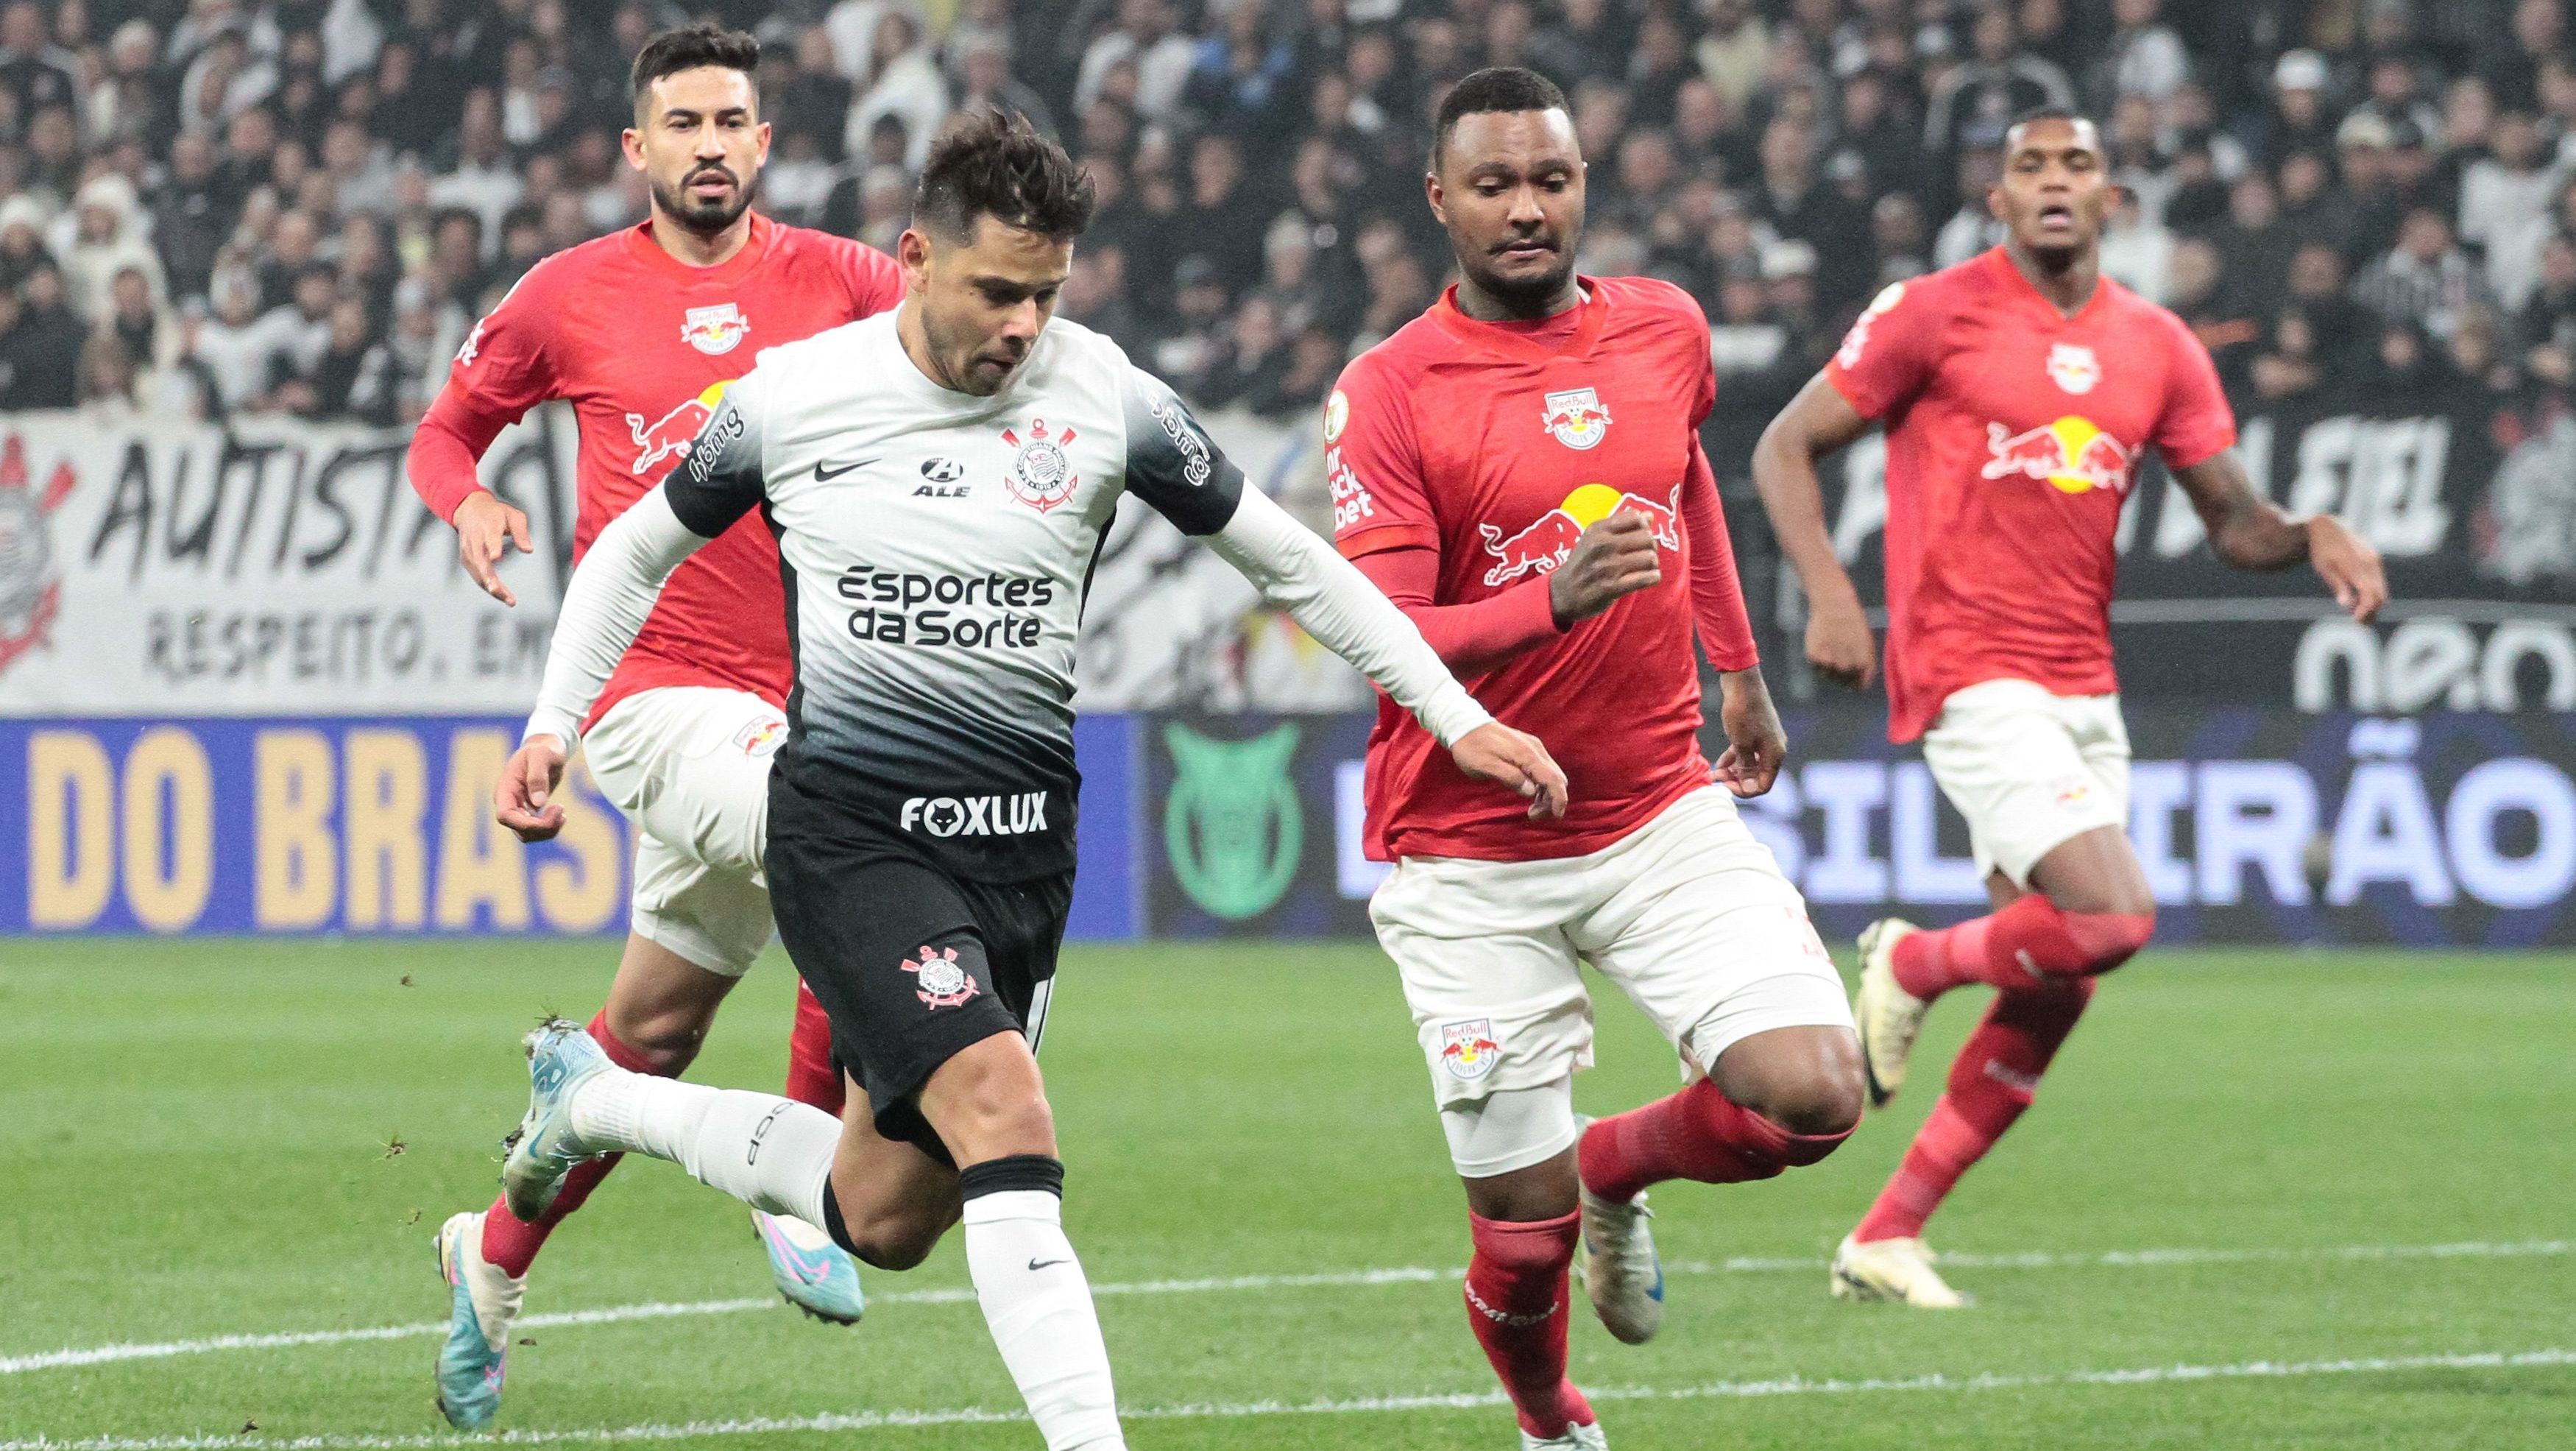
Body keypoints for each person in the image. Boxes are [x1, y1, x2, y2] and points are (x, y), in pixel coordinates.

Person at [487, 109, 1569, 1451]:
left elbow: (1290, 563)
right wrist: (553, 718)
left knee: (883, 1216)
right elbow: (630, 555)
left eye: (1047, 294)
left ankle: (590, 1101)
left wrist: (1450, 713)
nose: (1022, 324)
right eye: (997, 290)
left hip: (1018, 852)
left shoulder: (1101, 392)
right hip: (851, 833)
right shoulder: (792, 399)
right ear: (915, 257)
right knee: (1007, 1109)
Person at [1748, 107, 2388, 1309]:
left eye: (2077, 166)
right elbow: (1786, 446)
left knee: (2061, 975)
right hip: (1968, 667)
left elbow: (2234, 522)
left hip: (2084, 684)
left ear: (2114, 203)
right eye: (2030, 166)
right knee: (2117, 914)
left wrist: (2309, 533)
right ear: (1998, 199)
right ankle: (1914, 960)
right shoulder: (1932, 311)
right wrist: (1831, 599)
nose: (2053, 182)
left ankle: (1887, 1235)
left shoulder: (2159, 345)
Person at [1330, 68, 1864, 1450]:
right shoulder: (1390, 391)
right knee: (1522, 1240)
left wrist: (1735, 668)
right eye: (1495, 185)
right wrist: (1546, 604)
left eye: (1551, 181)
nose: (1527, 209)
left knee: (1815, 1091)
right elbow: (1379, 632)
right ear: (1439, 199)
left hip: (1653, 810)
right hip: (1468, 852)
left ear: (1584, 186)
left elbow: (1686, 483)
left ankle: (1617, 1160)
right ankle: (1553, 1422)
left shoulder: (1665, 327)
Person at [401, 25, 904, 1429]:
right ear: (639, 148)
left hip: (788, 696)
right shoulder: (568, 295)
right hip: (644, 696)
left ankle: (490, 1260)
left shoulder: (846, 282)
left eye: (729, 120)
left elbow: (948, 358)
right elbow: (444, 435)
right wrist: (473, 503)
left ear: (763, 140)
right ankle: (806, 1180)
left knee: (655, 1041)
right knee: (847, 839)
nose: (706, 144)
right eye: (678, 123)